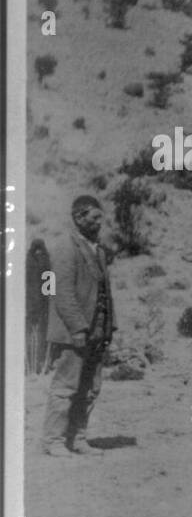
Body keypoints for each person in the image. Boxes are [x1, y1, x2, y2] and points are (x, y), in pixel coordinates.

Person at [41, 195, 117, 457]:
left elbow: (104, 293)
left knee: (91, 388)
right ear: (79, 218)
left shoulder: (98, 250)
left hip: (97, 332)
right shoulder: (65, 247)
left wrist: (108, 328)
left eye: (100, 218)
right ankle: (54, 441)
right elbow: (62, 294)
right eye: (94, 218)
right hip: (74, 333)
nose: (99, 223)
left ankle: (78, 438)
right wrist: (78, 328)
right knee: (66, 387)